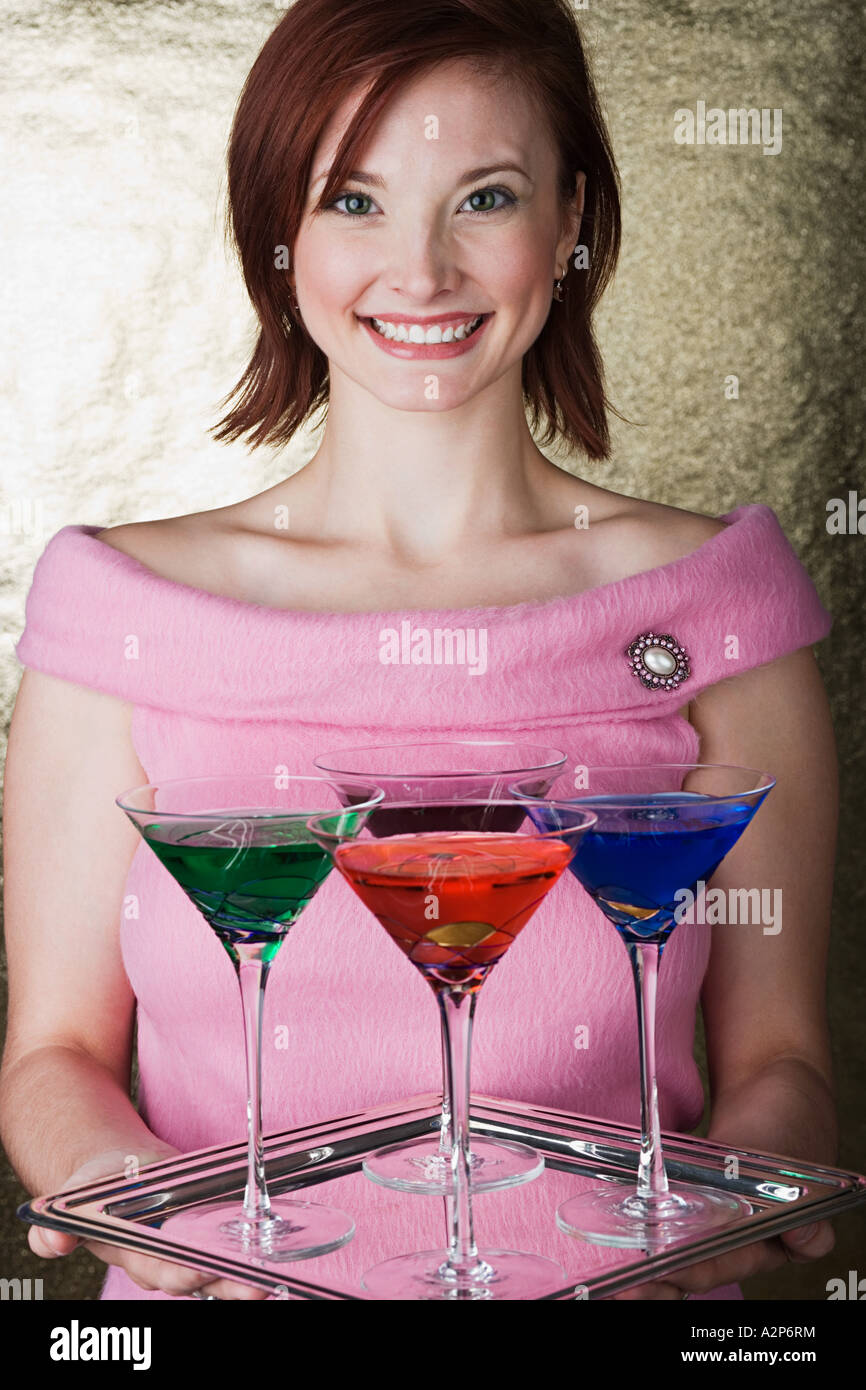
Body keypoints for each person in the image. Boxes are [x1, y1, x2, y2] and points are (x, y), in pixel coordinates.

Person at [0, 0, 837, 1301]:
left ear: (568, 220)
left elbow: (785, 1057)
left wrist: (716, 1216)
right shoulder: (118, 601)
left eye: (484, 196)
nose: (423, 268)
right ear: (277, 234)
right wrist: (163, 1230)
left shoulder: (713, 602)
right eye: (353, 200)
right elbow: (50, 1055)